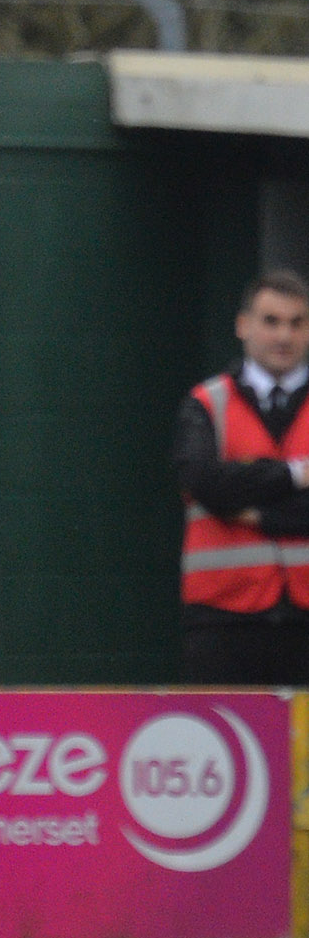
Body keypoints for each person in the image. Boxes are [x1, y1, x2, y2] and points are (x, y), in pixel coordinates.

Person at [175, 270, 309, 684]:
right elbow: (207, 483)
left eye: (297, 322)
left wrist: (258, 516)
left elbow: (224, 492)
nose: (283, 336)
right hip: (223, 621)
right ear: (243, 326)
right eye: (271, 321)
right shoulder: (205, 404)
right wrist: (295, 474)